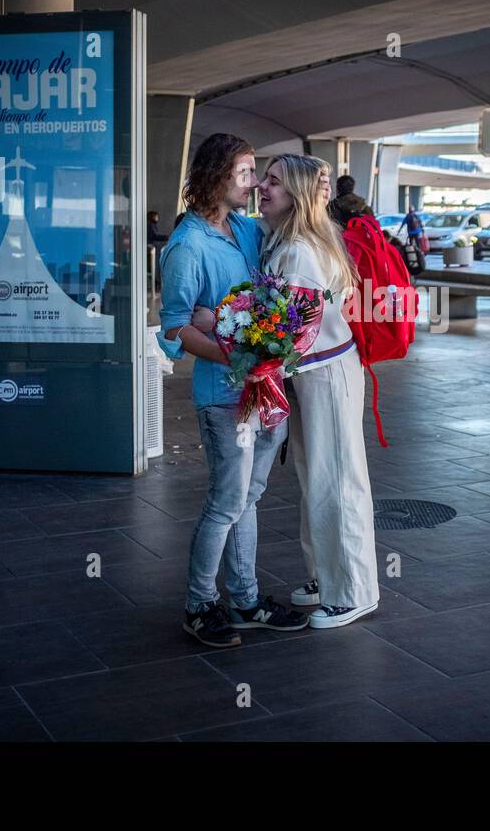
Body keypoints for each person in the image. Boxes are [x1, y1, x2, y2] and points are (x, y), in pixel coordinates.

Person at [157, 133, 308, 647]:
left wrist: (229, 325)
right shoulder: (187, 246)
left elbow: (296, 232)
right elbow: (175, 328)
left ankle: (244, 599)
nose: (254, 183)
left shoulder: (246, 231)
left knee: (249, 497)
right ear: (218, 174)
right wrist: (235, 351)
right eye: (246, 172)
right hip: (224, 396)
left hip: (266, 390)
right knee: (226, 500)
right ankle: (200, 606)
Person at [259, 154, 380, 629]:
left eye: (274, 182)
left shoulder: (299, 250)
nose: (262, 187)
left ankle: (352, 590)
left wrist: (243, 345)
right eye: (264, 179)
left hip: (324, 373)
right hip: (316, 373)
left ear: (297, 195)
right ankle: (326, 576)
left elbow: (294, 329)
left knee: (337, 480)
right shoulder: (295, 240)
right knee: (317, 479)